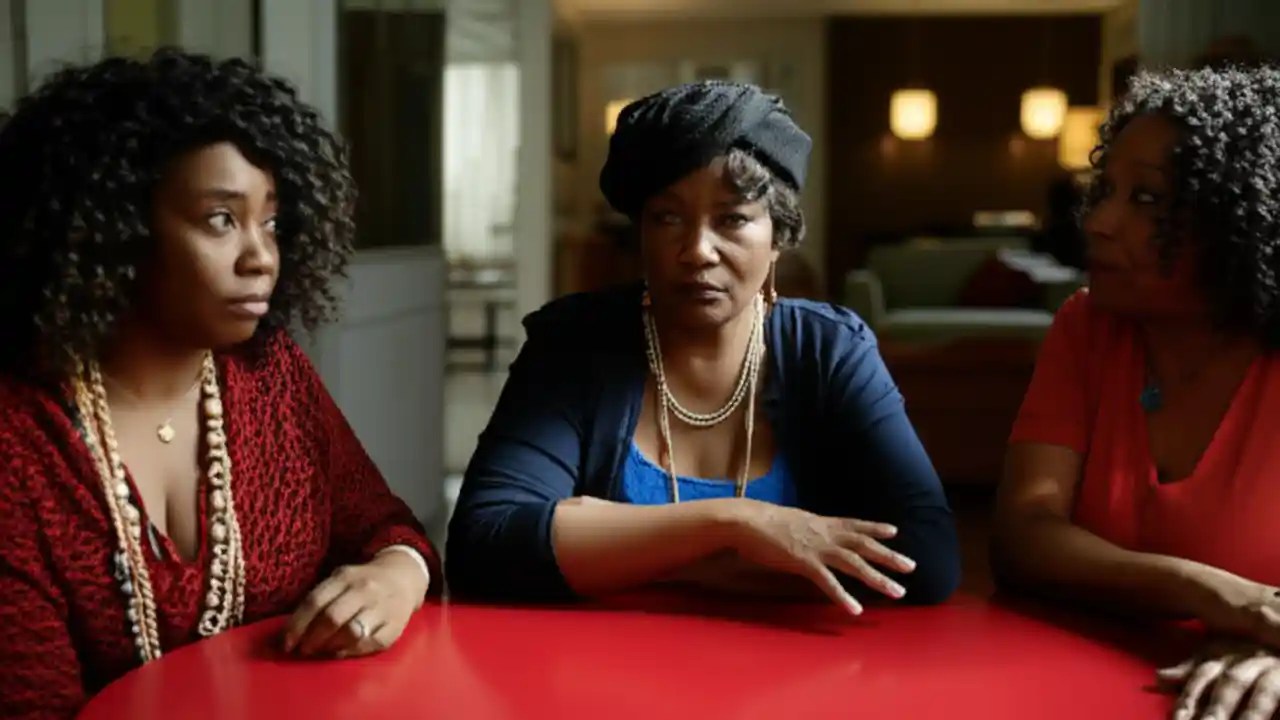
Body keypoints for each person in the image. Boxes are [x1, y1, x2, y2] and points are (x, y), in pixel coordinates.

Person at [0, 49, 439, 718]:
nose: (262, 256)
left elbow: (386, 527)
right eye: (220, 219)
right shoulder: (19, 438)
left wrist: (395, 578)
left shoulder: (270, 374)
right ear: (114, 232)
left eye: (270, 221)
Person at [447, 81, 960, 612]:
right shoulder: (573, 343)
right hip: (601, 675)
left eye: (732, 219)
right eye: (667, 218)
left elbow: (926, 561)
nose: (696, 250)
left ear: (778, 235)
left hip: (798, 678)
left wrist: (613, 554)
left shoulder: (830, 350)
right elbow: (483, 545)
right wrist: (735, 522)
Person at [992, 65, 1280, 720]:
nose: (1099, 222)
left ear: (1241, 219)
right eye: (1106, 191)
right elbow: (1024, 535)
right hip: (1077, 682)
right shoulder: (1088, 327)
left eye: (1147, 200)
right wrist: (1218, 595)